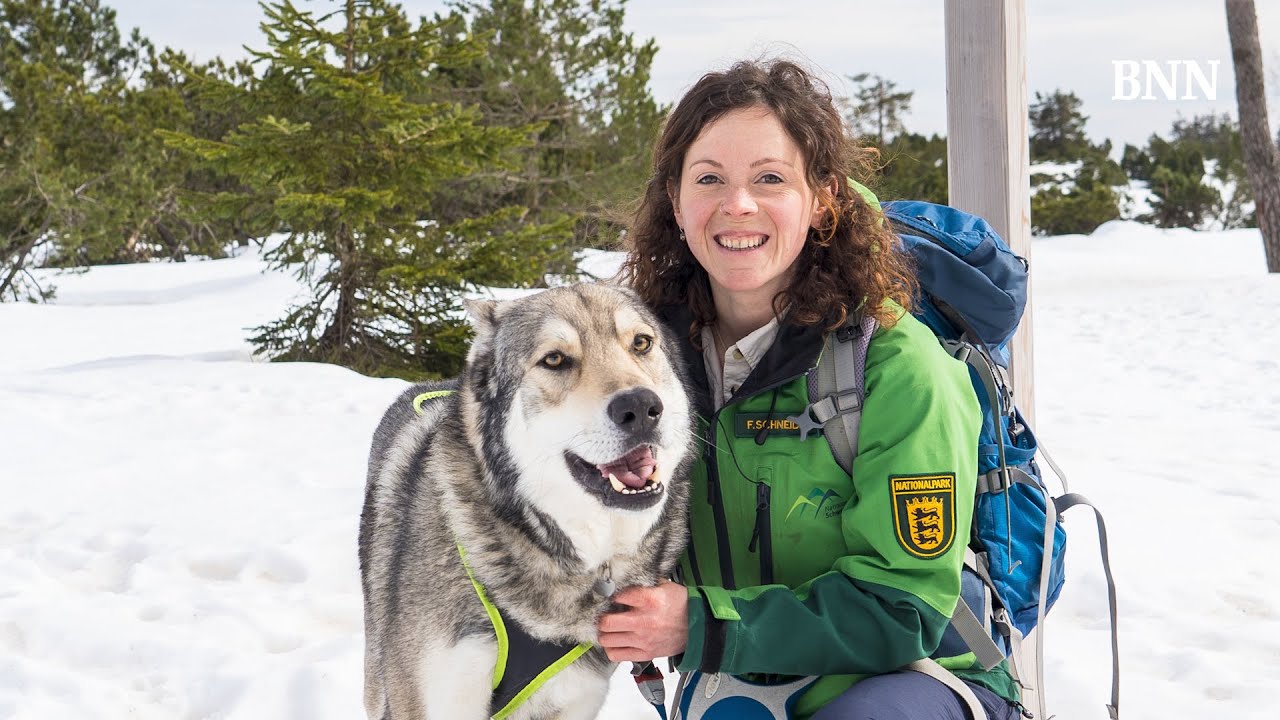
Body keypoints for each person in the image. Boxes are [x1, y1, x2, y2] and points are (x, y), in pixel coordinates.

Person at [596, 59, 1024, 720]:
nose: (737, 205)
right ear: (676, 203)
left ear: (820, 200)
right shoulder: (641, 363)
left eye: (770, 178)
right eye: (709, 178)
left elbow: (901, 607)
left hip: (919, 675)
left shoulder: (898, 367)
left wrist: (698, 626)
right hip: (736, 672)